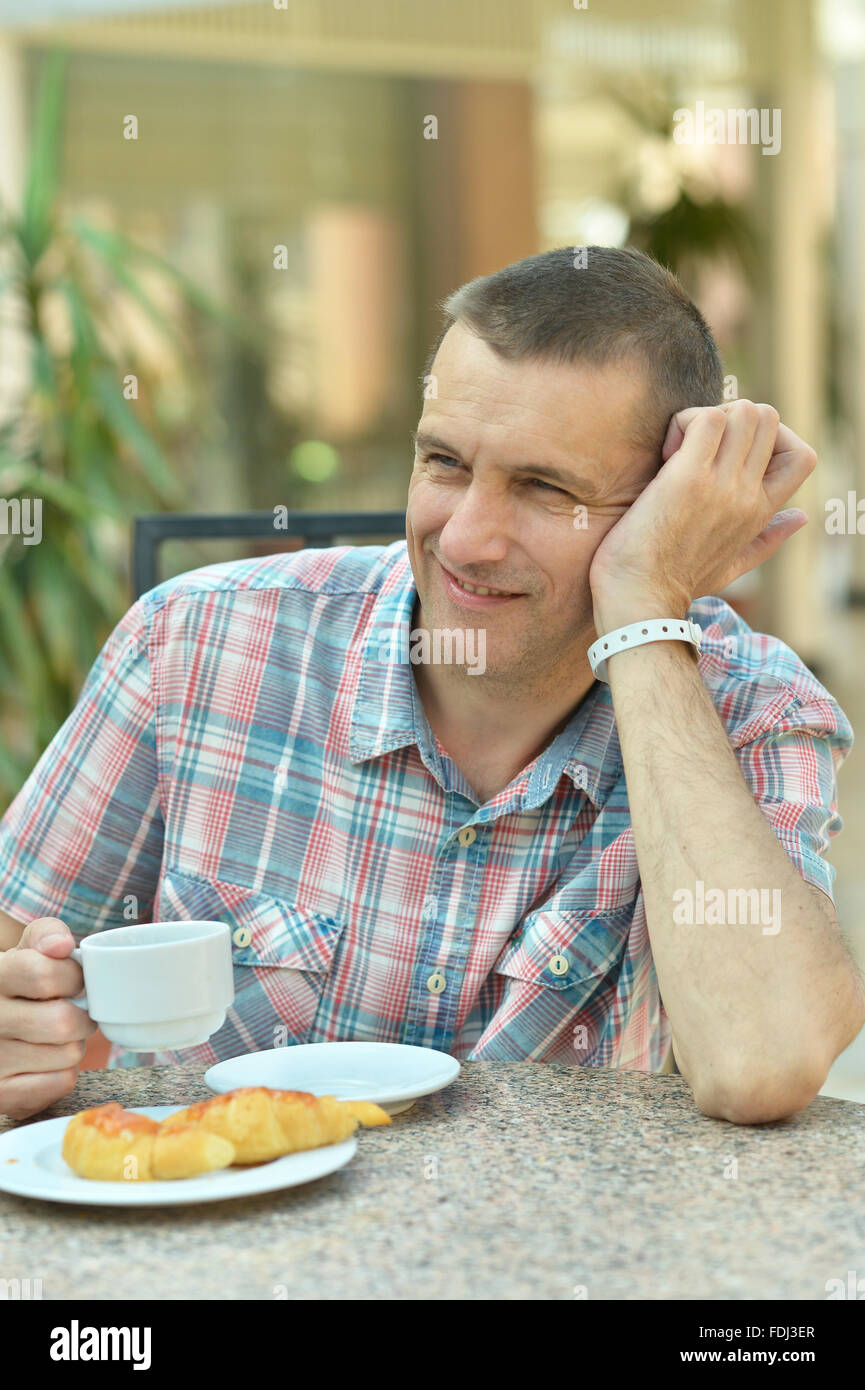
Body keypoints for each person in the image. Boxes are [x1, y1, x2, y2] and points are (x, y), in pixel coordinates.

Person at [0, 245, 861, 1125]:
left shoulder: (747, 705)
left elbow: (762, 1060)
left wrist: (644, 607)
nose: (465, 540)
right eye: (444, 463)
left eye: (542, 487)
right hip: (212, 1240)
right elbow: (12, 950)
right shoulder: (195, 643)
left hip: (547, 1258)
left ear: (664, 504)